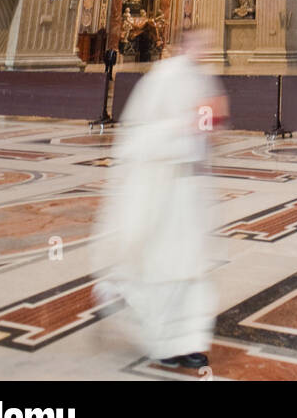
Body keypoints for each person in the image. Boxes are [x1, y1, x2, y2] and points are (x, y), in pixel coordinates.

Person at [95, 28, 228, 369]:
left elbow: (209, 125)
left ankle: (186, 339)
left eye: (208, 45)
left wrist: (208, 129)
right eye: (199, 43)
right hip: (161, 185)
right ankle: (165, 342)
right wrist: (183, 131)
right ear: (182, 45)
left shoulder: (202, 77)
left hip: (188, 187)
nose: (205, 49)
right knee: (163, 266)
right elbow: (138, 133)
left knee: (190, 267)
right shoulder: (162, 77)